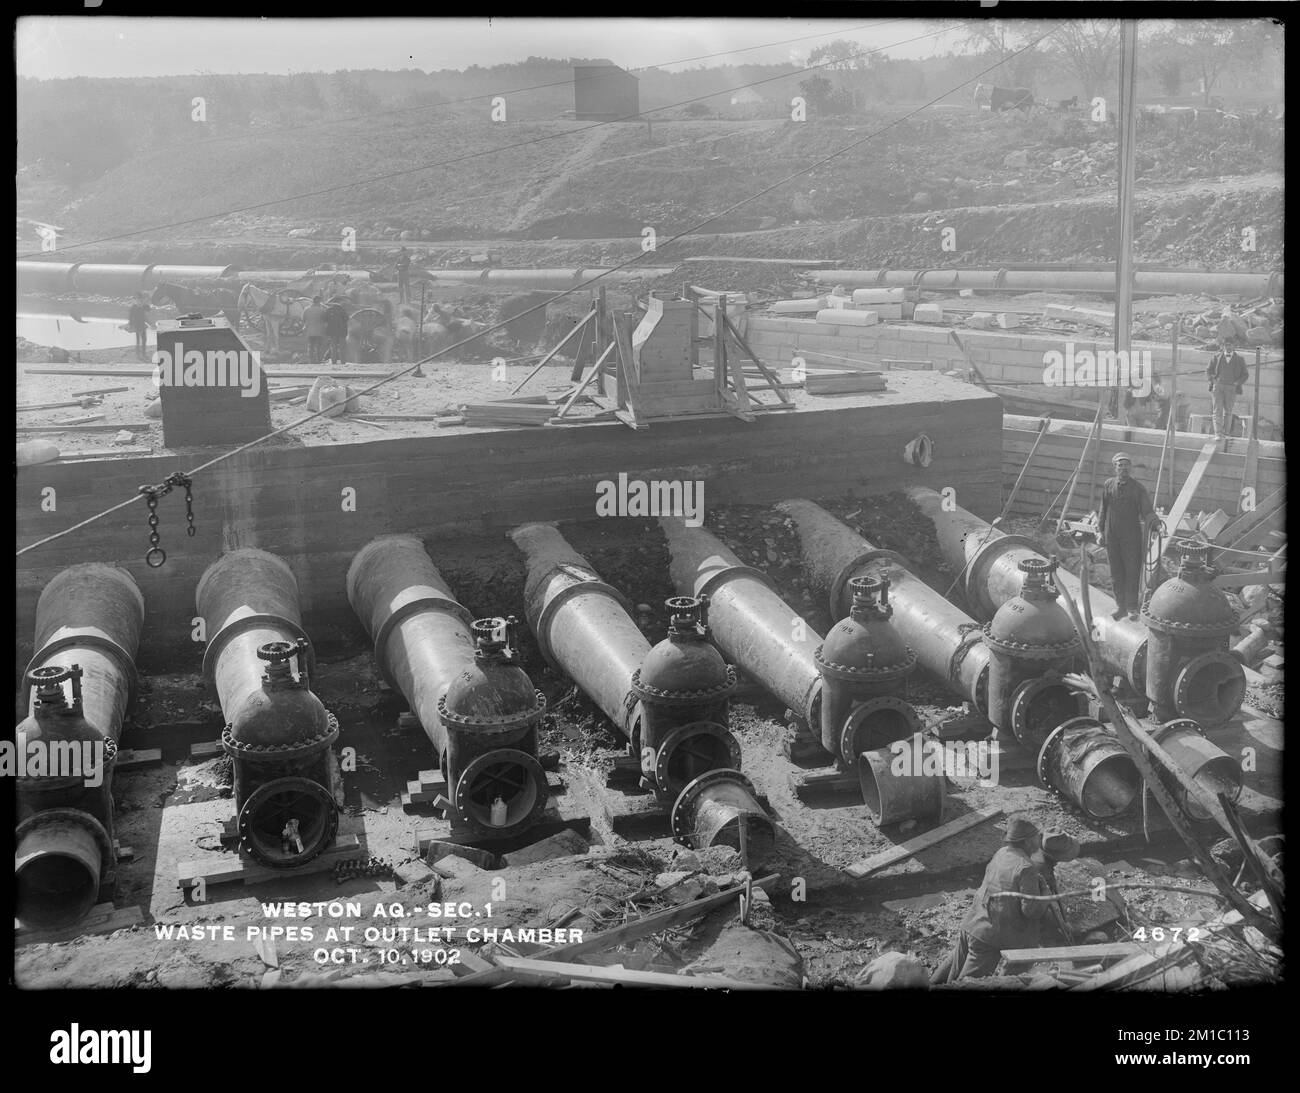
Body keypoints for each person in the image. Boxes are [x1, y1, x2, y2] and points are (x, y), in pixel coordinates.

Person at [931, 815, 1050, 983]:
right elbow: (1031, 911)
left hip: (972, 923)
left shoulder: (1002, 852)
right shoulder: (1027, 867)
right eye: (1037, 836)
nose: (1040, 838)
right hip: (988, 937)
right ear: (1028, 842)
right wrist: (1045, 893)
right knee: (967, 984)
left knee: (953, 966)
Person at [1098, 452, 1154, 621]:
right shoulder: (1108, 485)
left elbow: (1147, 511)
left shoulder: (1138, 488)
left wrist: (1156, 524)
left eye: (1126, 465)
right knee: (1116, 572)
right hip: (1112, 535)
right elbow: (1103, 510)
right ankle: (1120, 606)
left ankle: (1131, 607)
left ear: (1131, 468)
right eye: (1120, 465)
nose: (1123, 468)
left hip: (1131, 537)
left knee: (1132, 571)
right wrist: (1100, 532)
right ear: (1115, 468)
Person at [1206, 338, 1249, 441]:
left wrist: (1237, 383)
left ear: (1233, 346)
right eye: (1226, 345)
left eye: (1230, 345)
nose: (1228, 347)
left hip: (1231, 388)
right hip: (1218, 387)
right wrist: (1214, 381)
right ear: (1223, 346)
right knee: (1217, 410)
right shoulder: (1216, 357)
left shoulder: (1240, 359)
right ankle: (1218, 434)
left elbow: (1245, 374)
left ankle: (1226, 433)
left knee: (1228, 411)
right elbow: (1208, 370)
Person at [324, 300, 349, 366]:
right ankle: (343, 361)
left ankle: (334, 361)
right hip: (342, 332)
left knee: (333, 347)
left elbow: (324, 319)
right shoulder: (342, 310)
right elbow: (347, 319)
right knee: (342, 348)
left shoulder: (329, 310)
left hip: (332, 332)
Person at [127, 293, 152, 362]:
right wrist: (131, 325)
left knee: (144, 339)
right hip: (136, 325)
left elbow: (148, 310)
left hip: (142, 325)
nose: (139, 301)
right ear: (135, 300)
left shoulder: (144, 306)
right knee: (138, 340)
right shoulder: (133, 307)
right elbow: (130, 317)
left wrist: (144, 304)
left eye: (140, 299)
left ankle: (143, 353)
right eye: (137, 300)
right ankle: (138, 354)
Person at [303, 296, 327, 364]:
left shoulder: (306, 309)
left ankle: (311, 361)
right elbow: (325, 320)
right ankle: (319, 360)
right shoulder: (321, 310)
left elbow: (304, 319)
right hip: (319, 330)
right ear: (319, 302)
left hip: (309, 330)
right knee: (319, 346)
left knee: (310, 346)